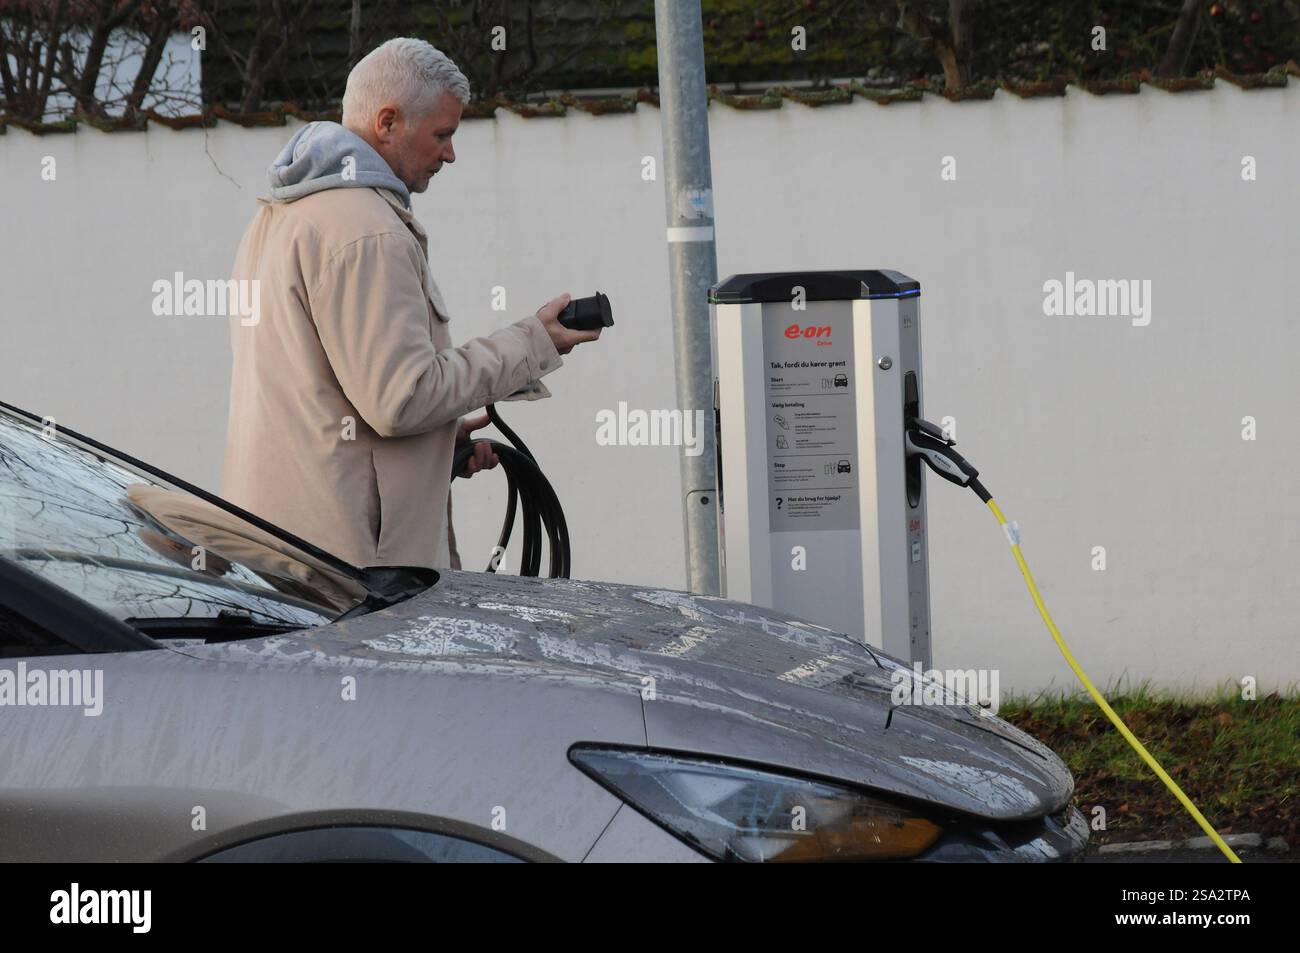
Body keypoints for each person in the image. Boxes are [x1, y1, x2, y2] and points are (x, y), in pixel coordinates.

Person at [220, 37, 600, 570]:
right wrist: (534, 341)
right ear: (388, 121)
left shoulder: (282, 218)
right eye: (442, 134)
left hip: (292, 553)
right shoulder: (368, 232)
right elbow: (402, 400)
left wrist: (438, 448)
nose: (450, 153)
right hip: (359, 577)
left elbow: (331, 405)